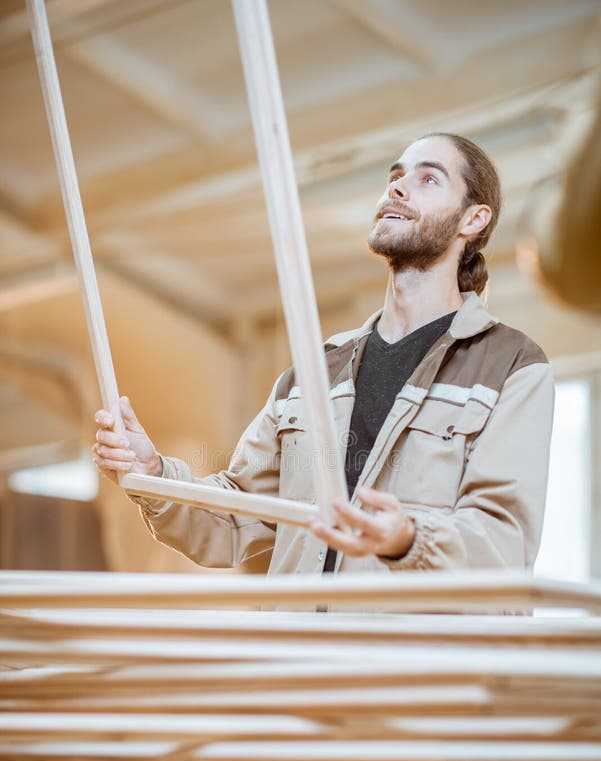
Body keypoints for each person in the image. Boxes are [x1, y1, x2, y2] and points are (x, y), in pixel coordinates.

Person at [93, 133, 555, 574]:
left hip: (409, 637)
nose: (397, 187)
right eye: (396, 176)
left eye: (428, 179)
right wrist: (152, 474)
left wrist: (410, 538)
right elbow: (231, 517)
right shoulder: (313, 375)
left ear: (473, 220)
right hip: (300, 635)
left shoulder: (511, 367)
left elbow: (505, 543)